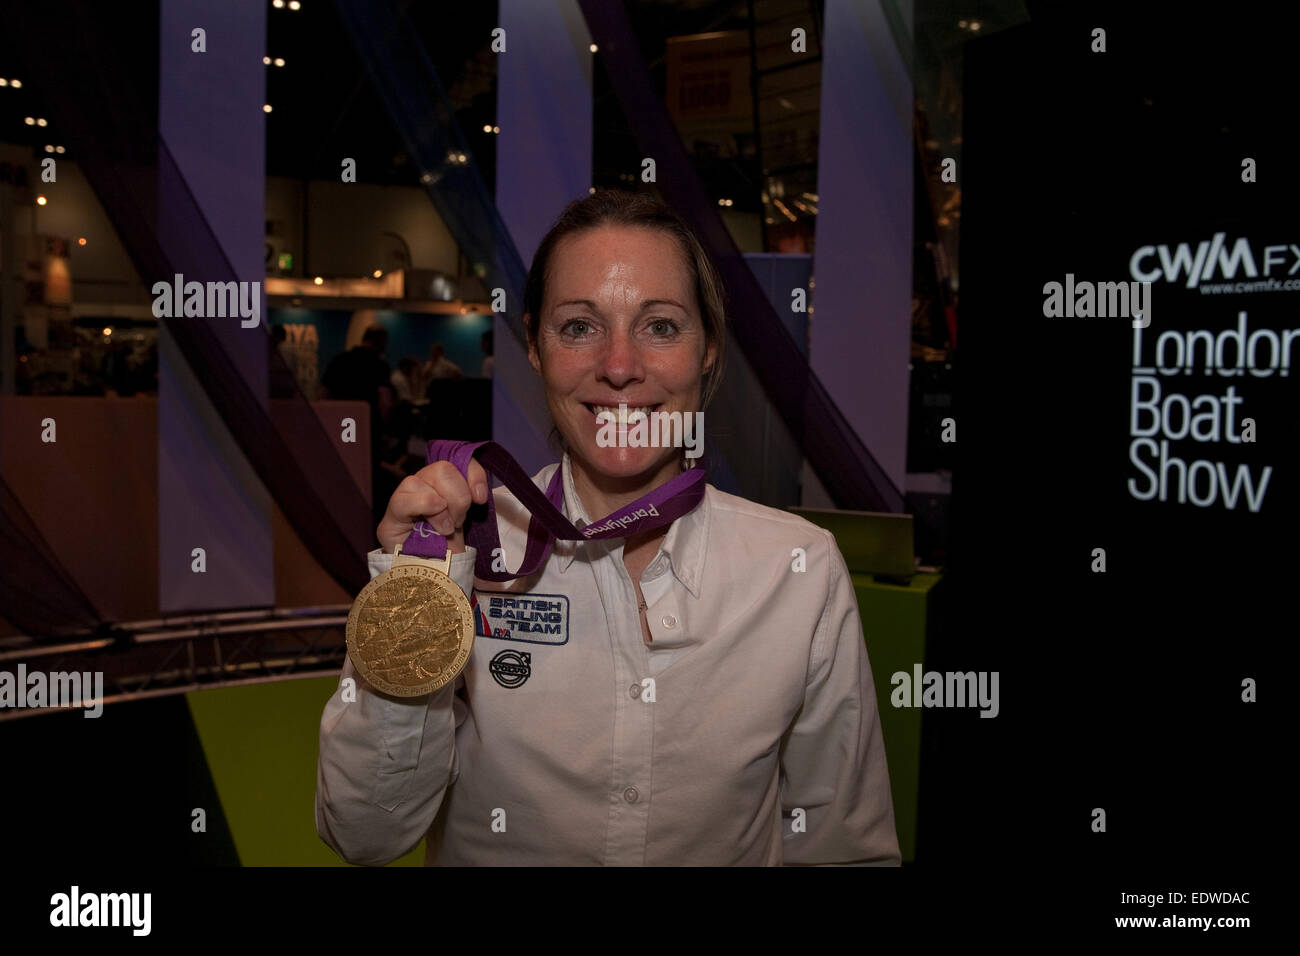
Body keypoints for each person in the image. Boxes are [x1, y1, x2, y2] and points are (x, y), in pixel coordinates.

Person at [316, 189, 900, 866]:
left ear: (709, 347)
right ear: (534, 345)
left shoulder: (797, 570)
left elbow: (843, 848)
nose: (620, 366)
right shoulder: (470, 549)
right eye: (579, 327)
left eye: (660, 326)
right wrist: (412, 603)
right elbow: (364, 835)